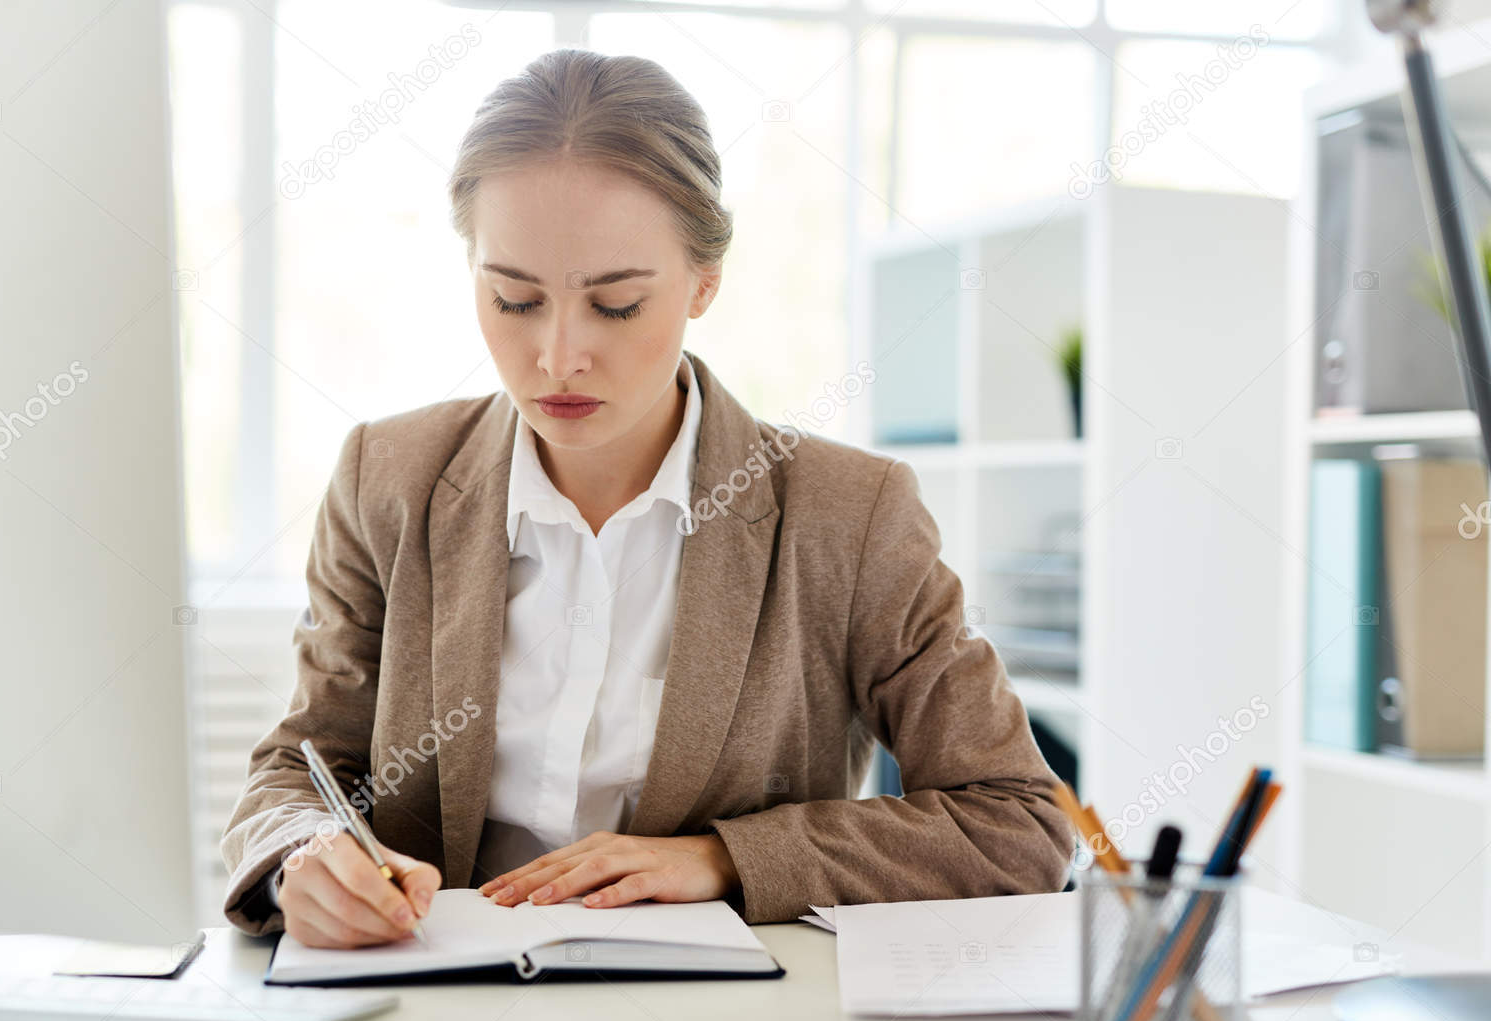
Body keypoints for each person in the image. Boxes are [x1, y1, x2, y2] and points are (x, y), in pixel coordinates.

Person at [221, 48, 1073, 949]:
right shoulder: (386, 478)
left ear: (705, 281)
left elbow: (1019, 821)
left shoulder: (848, 515)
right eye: (514, 298)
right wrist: (303, 854)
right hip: (435, 1018)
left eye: (617, 304)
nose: (558, 356)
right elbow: (301, 766)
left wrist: (725, 859)